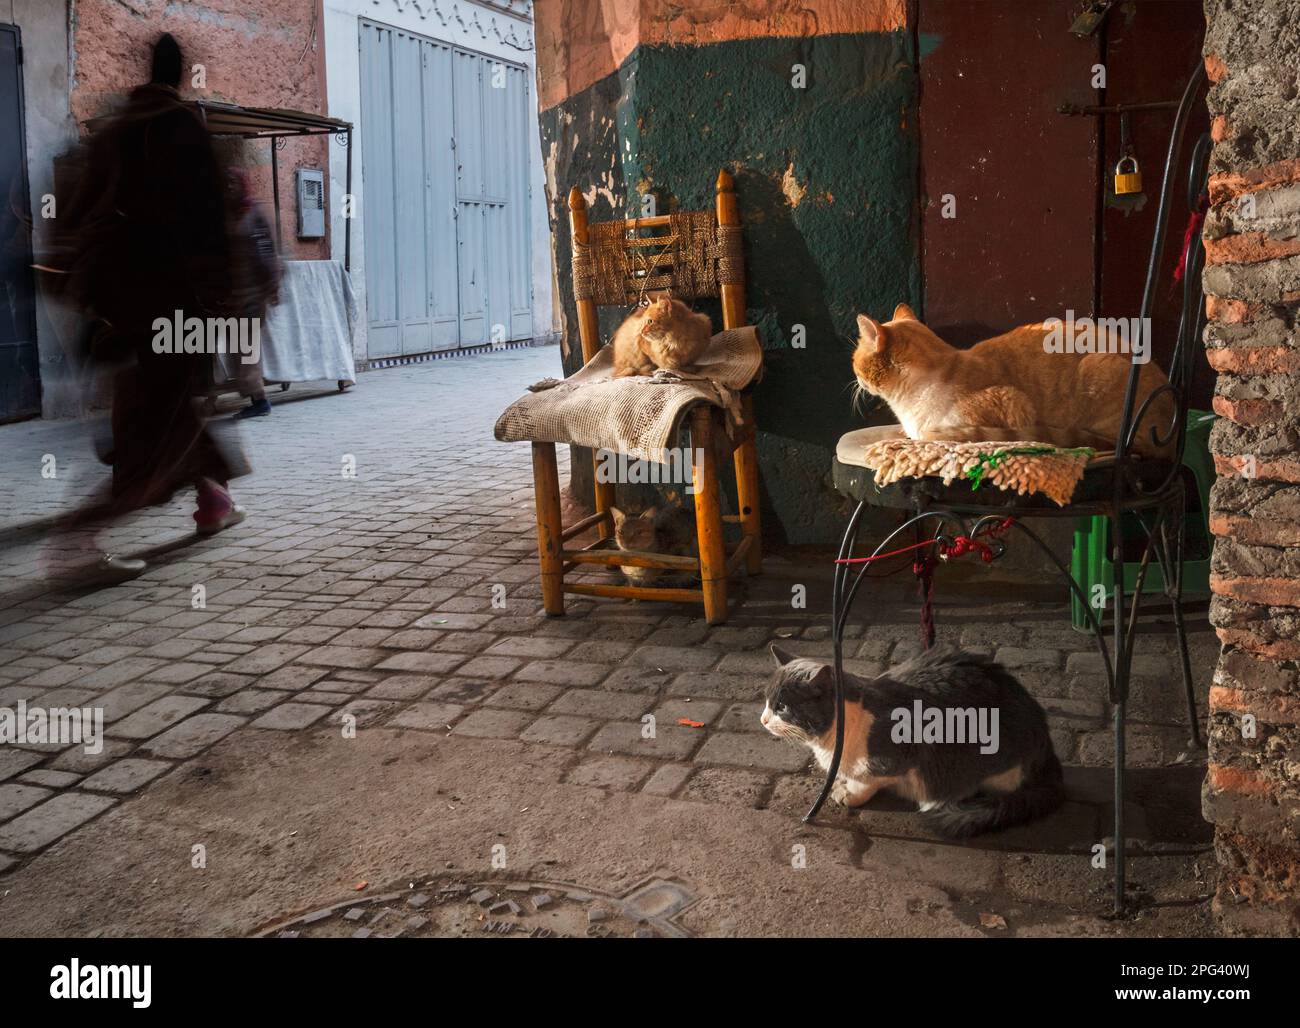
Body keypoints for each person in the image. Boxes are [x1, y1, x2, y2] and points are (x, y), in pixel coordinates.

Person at [47, 32, 250, 578]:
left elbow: (76, 216)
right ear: (182, 75)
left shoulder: (113, 133)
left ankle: (214, 501)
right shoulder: (181, 127)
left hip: (116, 303)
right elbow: (206, 220)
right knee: (159, 422)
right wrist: (224, 297)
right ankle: (75, 546)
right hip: (172, 300)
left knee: (174, 405)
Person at [227, 167, 282, 419]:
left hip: (251, 295)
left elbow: (266, 251)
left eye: (232, 182)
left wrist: (271, 287)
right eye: (225, 183)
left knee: (247, 350)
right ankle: (254, 397)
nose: (228, 187)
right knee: (239, 349)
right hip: (233, 297)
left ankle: (259, 400)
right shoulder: (229, 214)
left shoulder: (253, 213)